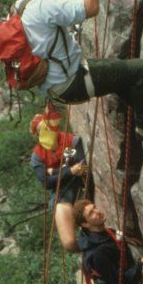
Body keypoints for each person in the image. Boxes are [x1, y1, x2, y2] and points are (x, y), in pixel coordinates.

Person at [14, 0, 143, 141]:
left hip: (53, 87)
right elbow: (91, 7)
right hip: (72, 82)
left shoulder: (17, 9)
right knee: (141, 70)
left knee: (120, 74)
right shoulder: (41, 5)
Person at [29, 106, 89, 252]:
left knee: (90, 224)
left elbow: (82, 168)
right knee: (69, 244)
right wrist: (69, 171)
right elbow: (47, 183)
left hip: (82, 188)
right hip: (61, 197)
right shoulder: (38, 156)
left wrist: (54, 171)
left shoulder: (71, 141)